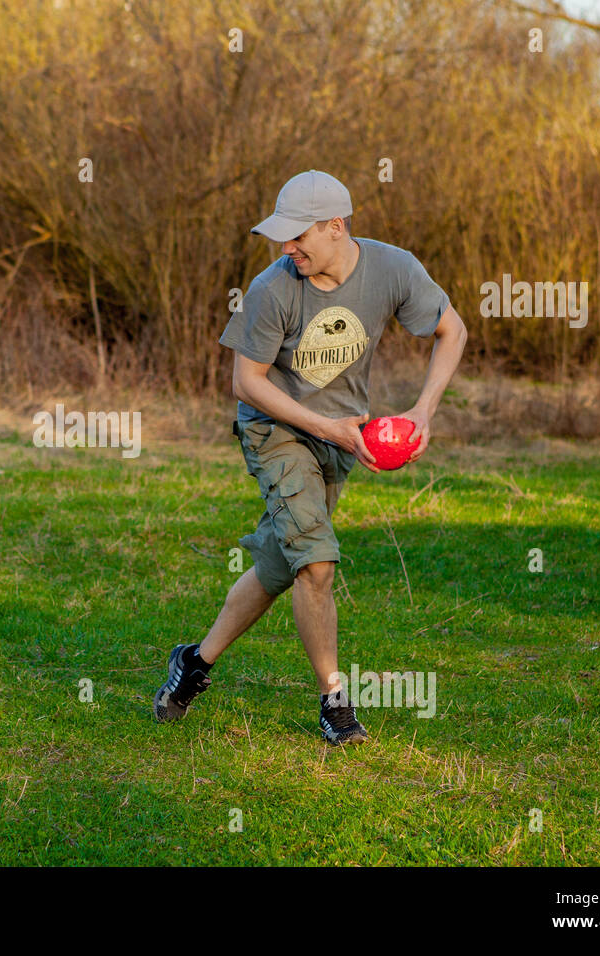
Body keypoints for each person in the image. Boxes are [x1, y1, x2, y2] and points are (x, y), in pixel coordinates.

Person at [153, 169, 468, 744]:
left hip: (340, 435)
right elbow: (246, 382)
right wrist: (328, 427)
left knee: (281, 565)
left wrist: (423, 412)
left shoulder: (392, 268)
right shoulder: (272, 289)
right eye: (282, 237)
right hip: (274, 431)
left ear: (336, 227)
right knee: (317, 563)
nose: (287, 247)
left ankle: (192, 665)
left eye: (298, 236)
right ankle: (335, 704)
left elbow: (453, 330)